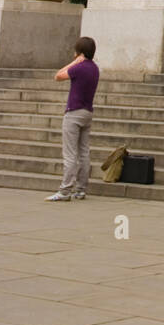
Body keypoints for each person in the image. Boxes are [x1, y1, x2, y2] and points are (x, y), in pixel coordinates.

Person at [45, 37, 100, 202]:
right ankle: (81, 189)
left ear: (80, 52)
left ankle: (65, 191)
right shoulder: (95, 68)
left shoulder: (79, 67)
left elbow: (57, 76)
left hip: (74, 112)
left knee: (69, 154)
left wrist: (74, 62)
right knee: (83, 152)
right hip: (87, 112)